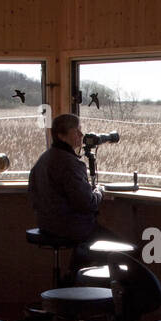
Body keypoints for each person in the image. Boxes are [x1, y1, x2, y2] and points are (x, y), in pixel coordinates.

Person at [29, 113, 126, 270]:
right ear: (61, 136)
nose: (81, 134)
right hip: (71, 228)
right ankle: (79, 279)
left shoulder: (44, 158)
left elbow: (33, 194)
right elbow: (87, 204)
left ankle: (75, 274)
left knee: (88, 244)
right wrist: (99, 192)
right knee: (122, 251)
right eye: (76, 131)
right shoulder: (69, 164)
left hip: (46, 225)